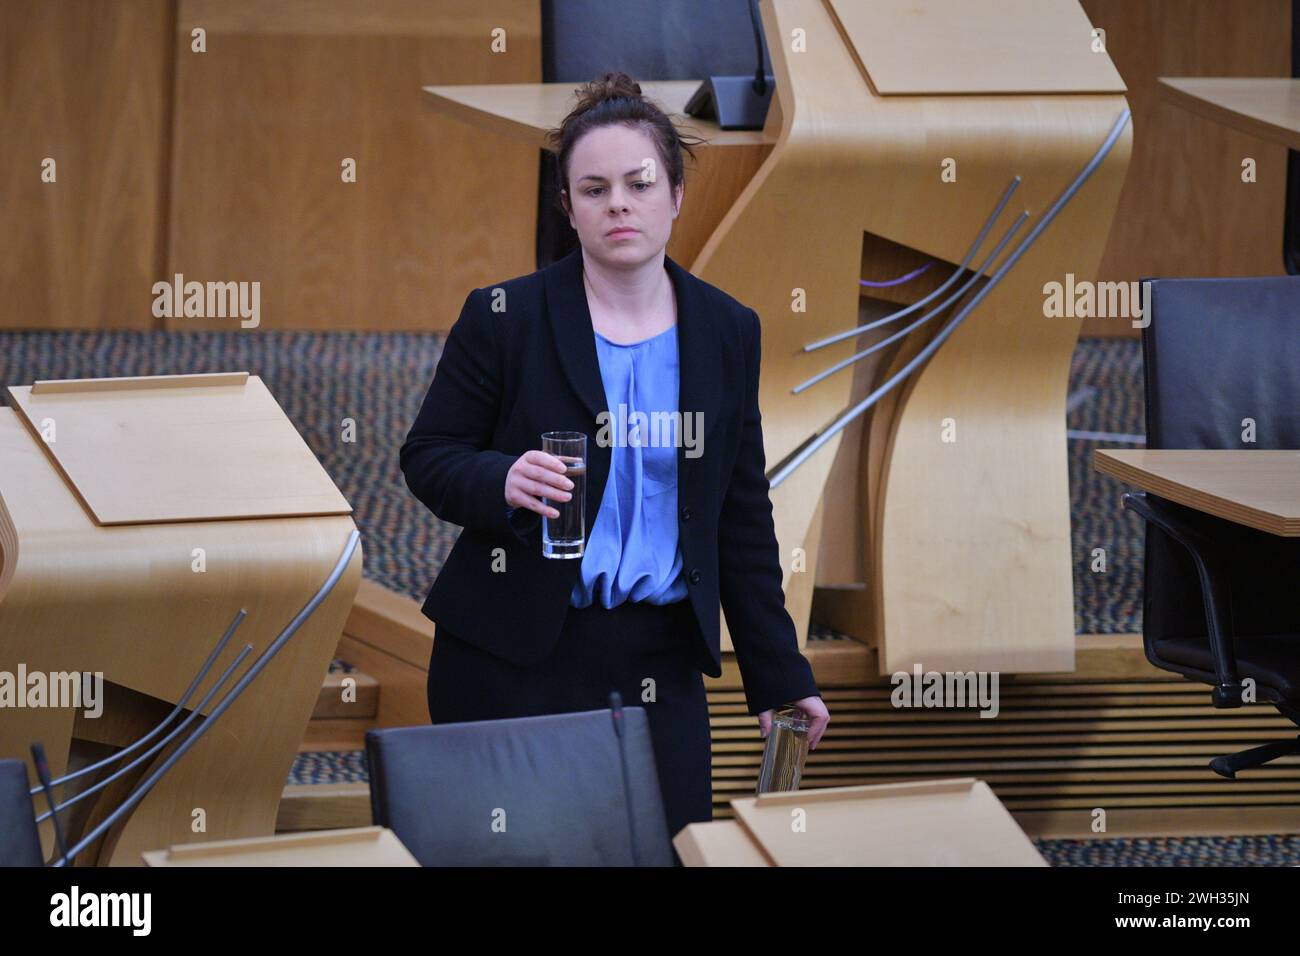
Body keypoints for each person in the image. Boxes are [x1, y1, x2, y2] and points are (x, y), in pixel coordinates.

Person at [400, 71, 830, 865]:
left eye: (639, 184)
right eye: (593, 189)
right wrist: (501, 481)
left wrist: (779, 673)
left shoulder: (727, 331)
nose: (619, 204)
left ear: (674, 195)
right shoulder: (505, 317)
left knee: (666, 858)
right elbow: (428, 457)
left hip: (658, 656)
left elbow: (740, 517)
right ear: (567, 208)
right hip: (515, 650)